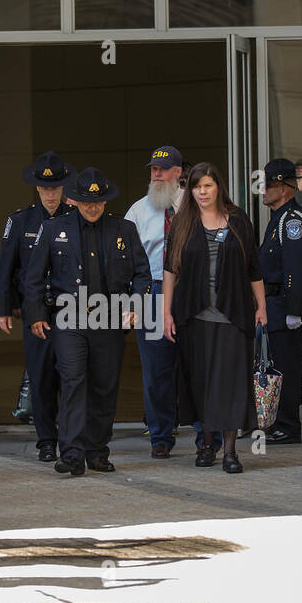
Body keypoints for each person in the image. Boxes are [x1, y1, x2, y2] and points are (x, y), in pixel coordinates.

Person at [24, 167, 150, 476]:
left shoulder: (124, 230)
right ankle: (71, 453)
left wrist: (135, 305)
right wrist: (36, 315)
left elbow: (142, 274)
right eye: (86, 202)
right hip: (70, 319)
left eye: (98, 202)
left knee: (104, 386)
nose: (92, 208)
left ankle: (97, 451)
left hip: (110, 318)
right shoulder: (54, 229)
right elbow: (34, 277)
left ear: (105, 201)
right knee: (73, 381)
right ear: (75, 201)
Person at [163, 161, 266, 474]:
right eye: (196, 187)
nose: (202, 192)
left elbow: (253, 267)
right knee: (202, 382)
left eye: (207, 185)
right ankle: (207, 444)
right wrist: (166, 312)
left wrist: (261, 306)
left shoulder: (238, 220)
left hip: (233, 314)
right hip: (194, 316)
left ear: (219, 187)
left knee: (230, 383)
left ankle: (230, 452)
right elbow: (170, 270)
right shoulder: (183, 222)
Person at [0, 151, 75, 462]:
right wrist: (4, 308)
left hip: (69, 311)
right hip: (36, 312)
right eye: (44, 188)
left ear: (62, 187)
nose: (50, 194)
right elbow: (6, 268)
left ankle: (70, 437)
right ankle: (46, 441)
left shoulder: (75, 217)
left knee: (71, 377)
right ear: (37, 188)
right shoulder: (21, 221)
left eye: (54, 188)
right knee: (40, 378)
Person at [124, 145, 186, 458]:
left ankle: (206, 434)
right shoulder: (137, 211)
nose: (157, 174)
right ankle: (160, 435)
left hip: (189, 292)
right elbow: (124, 261)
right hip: (152, 291)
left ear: (179, 172)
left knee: (197, 365)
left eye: (163, 169)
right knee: (156, 369)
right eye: (153, 169)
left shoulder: (197, 204)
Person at [257, 158, 302, 444]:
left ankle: (289, 426)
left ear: (283, 188)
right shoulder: (278, 219)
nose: (263, 190)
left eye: (268, 185)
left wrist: (293, 310)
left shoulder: (292, 221)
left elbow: (297, 268)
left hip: (286, 306)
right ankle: (279, 421)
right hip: (275, 306)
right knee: (278, 366)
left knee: (287, 368)